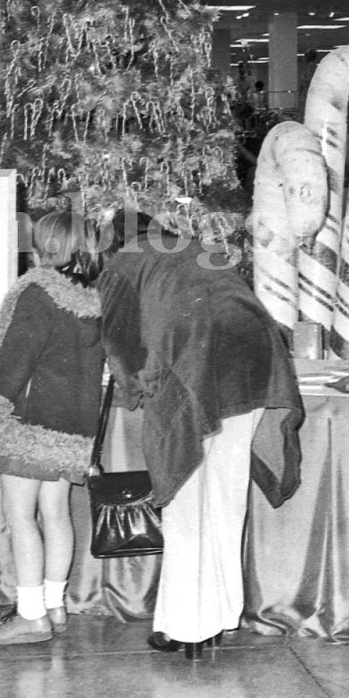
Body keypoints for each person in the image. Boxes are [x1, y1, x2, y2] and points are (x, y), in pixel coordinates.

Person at [96, 212, 302, 661]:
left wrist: (133, 391)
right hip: (255, 369)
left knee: (187, 504)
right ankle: (217, 621)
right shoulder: (198, 250)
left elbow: (118, 343)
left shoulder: (122, 262)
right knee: (226, 501)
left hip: (194, 371)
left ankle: (186, 629)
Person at [0, 211, 105, 647]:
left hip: (29, 423)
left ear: (45, 244)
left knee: (21, 517)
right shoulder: (94, 297)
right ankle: (53, 603)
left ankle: (30, 616)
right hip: (74, 426)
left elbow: (13, 355)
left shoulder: (37, 290)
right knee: (56, 513)